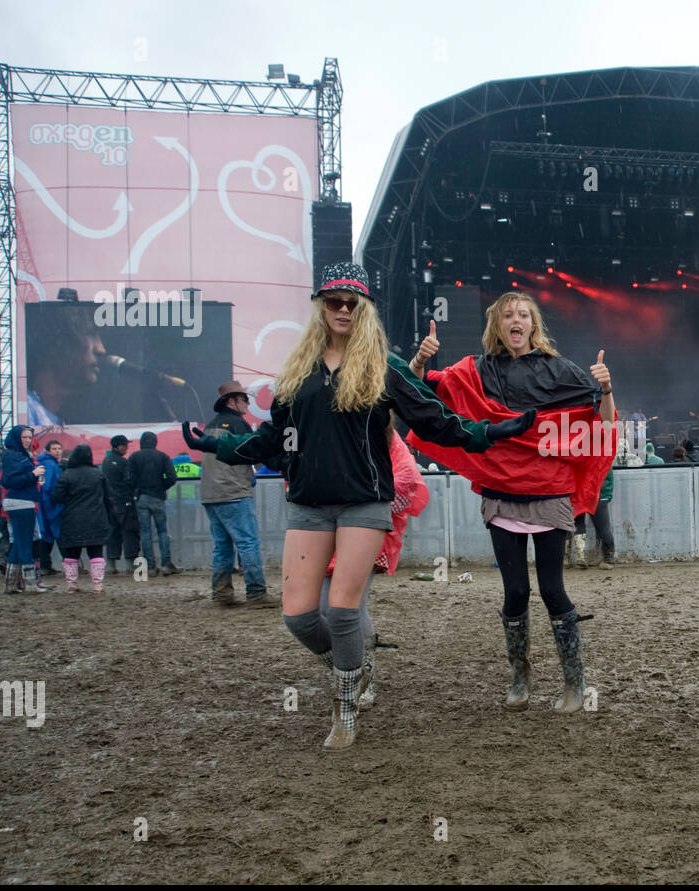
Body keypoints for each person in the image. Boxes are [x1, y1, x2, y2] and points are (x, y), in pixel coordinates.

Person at [184, 263, 533, 749]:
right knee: (299, 617)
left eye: (353, 302)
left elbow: (435, 421)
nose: (343, 309)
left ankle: (344, 707)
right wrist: (216, 447)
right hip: (308, 503)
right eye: (334, 301)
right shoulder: (298, 371)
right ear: (320, 307)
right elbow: (270, 439)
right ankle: (355, 666)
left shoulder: (382, 366)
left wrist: (487, 432)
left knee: (344, 611)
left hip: (366, 503)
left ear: (364, 309)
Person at [407, 292, 615, 714]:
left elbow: (605, 424)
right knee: (515, 591)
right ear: (497, 325)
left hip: (549, 492)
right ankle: (520, 678)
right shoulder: (476, 371)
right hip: (502, 494)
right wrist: (417, 363)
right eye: (507, 315)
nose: (515, 320)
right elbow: (424, 399)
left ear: (533, 325)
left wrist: (607, 389)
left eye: (522, 315)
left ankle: (575, 684)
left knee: (553, 590)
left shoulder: (561, 370)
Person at [196, 381, 274, 606]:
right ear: (232, 401)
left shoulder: (210, 425)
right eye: (244, 400)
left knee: (222, 546)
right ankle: (257, 593)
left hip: (210, 494)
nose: (248, 404)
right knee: (248, 543)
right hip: (234, 492)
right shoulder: (240, 425)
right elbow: (251, 454)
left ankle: (222, 594)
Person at [52, 444, 113, 593]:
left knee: (71, 555)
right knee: (96, 554)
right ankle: (98, 585)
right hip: (96, 519)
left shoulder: (66, 474)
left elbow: (58, 497)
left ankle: (72, 585)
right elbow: (108, 497)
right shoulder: (98, 474)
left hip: (72, 520)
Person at [0, 425, 50, 593]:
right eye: (24, 437)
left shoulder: (18, 455)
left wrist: (34, 477)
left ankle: (10, 584)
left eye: (29, 437)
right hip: (21, 502)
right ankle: (30, 584)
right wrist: (33, 474)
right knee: (25, 543)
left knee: (18, 543)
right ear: (16, 438)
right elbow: (8, 481)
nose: (28, 440)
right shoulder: (14, 456)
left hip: (20, 502)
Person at [128, 431, 181, 575]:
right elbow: (172, 477)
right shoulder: (162, 457)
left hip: (142, 497)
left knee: (145, 532)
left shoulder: (134, 457)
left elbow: (130, 479)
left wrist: (137, 489)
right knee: (162, 531)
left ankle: (150, 566)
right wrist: (161, 486)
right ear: (155, 442)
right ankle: (166, 564)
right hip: (158, 497)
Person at [101, 435, 140, 575]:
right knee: (130, 532)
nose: (127, 447)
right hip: (125, 501)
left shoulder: (105, 461)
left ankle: (111, 565)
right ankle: (131, 565)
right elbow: (130, 481)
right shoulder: (124, 463)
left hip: (110, 502)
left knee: (112, 533)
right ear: (118, 446)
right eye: (124, 445)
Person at [572, 467, 616, 570]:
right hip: (599, 494)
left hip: (581, 492)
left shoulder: (580, 453)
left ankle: (580, 556)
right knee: (603, 527)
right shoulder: (604, 454)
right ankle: (608, 559)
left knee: (578, 523)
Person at [35, 440, 64, 575]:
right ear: (48, 451)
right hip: (50, 505)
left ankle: (45, 564)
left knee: (46, 534)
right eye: (54, 449)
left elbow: (42, 484)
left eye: (59, 448)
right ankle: (65, 563)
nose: (57, 451)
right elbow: (46, 486)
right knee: (54, 533)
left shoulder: (45, 463)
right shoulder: (50, 465)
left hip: (45, 503)